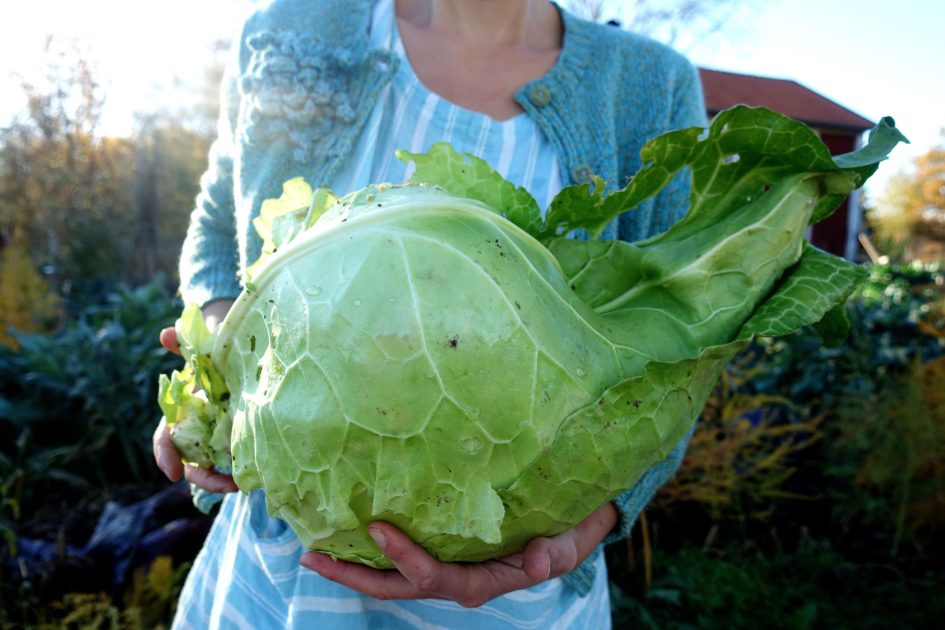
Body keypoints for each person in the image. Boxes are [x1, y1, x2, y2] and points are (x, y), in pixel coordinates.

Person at [154, 0, 706, 626]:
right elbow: (220, 230)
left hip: (511, 596)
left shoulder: (648, 88)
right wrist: (218, 368)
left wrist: (588, 527)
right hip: (278, 577)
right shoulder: (293, 30)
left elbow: (688, 335)